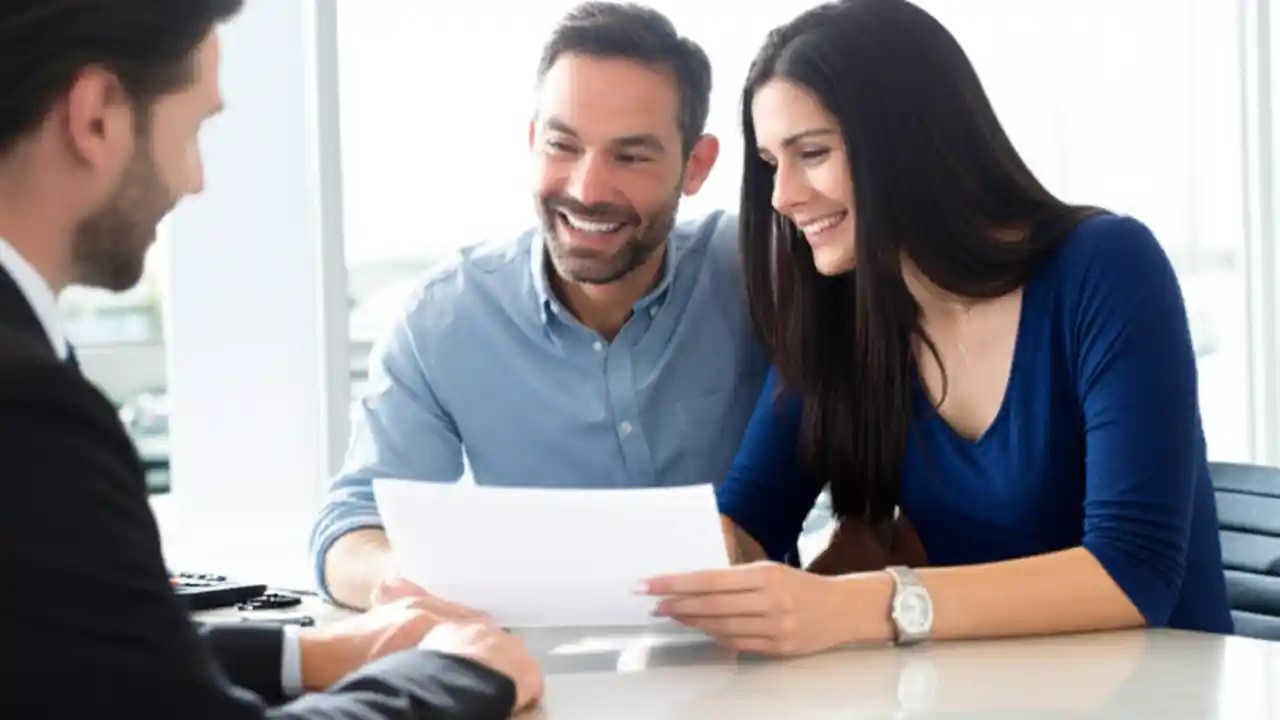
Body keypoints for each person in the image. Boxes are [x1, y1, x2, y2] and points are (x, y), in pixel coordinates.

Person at [639, 0, 1233, 655]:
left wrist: (859, 604)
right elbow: (752, 522)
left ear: (909, 140)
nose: (782, 197)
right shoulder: (841, 309)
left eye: (812, 152)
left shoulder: (1107, 268)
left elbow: (1133, 573)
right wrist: (706, 555)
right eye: (773, 163)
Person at [0, 1, 541, 716]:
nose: (195, 180)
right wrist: (458, 673)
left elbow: (70, 646)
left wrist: (308, 653)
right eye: (194, 129)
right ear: (97, 116)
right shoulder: (31, 409)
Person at [314, 1, 769, 611]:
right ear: (533, 140)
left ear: (696, 165)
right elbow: (350, 526)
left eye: (630, 156)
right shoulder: (445, 320)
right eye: (563, 146)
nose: (586, 190)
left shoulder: (760, 278)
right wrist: (405, 580)